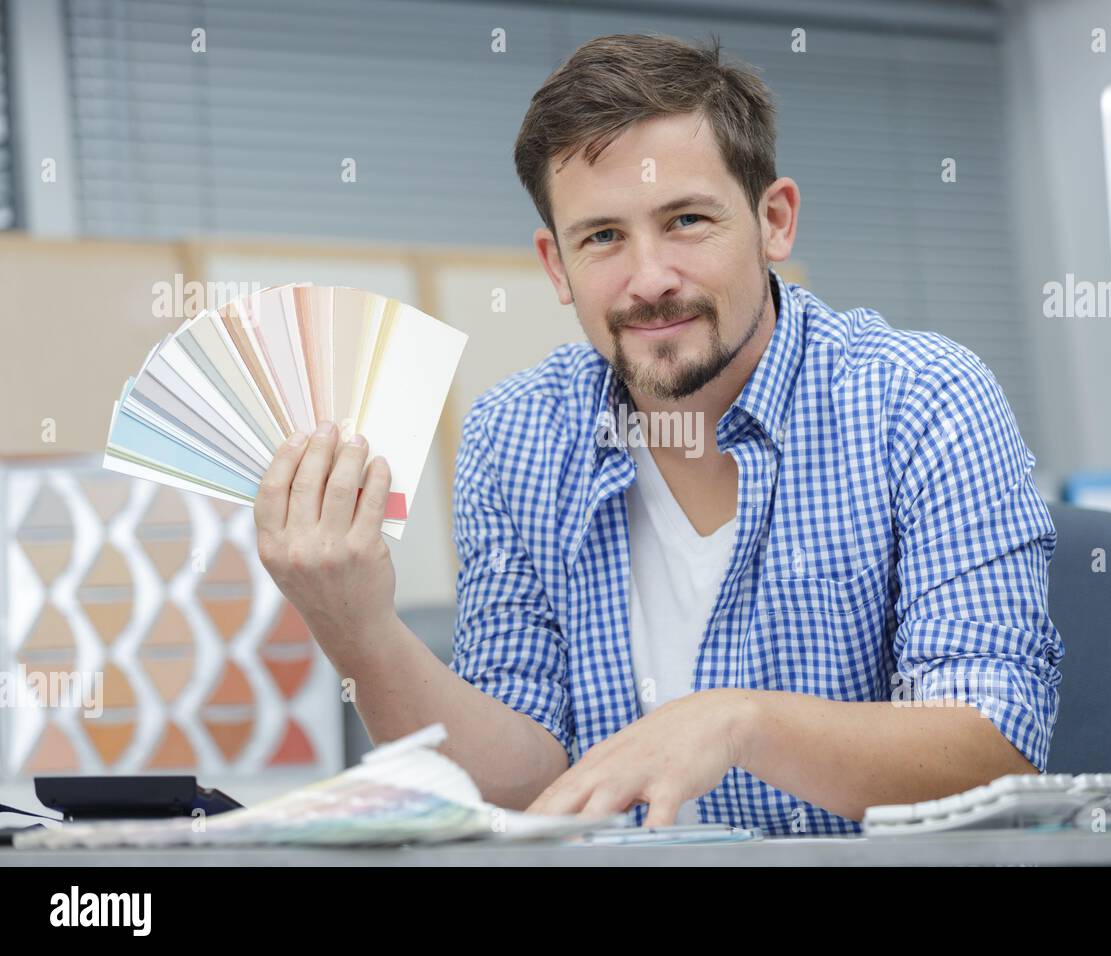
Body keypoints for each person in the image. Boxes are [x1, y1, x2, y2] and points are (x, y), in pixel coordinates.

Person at [254, 33, 1064, 835]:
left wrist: (735, 722)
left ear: (774, 220)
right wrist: (358, 629)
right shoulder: (515, 436)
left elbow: (994, 748)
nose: (649, 280)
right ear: (555, 265)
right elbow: (520, 785)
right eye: (602, 236)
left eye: (685, 220)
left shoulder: (921, 400)